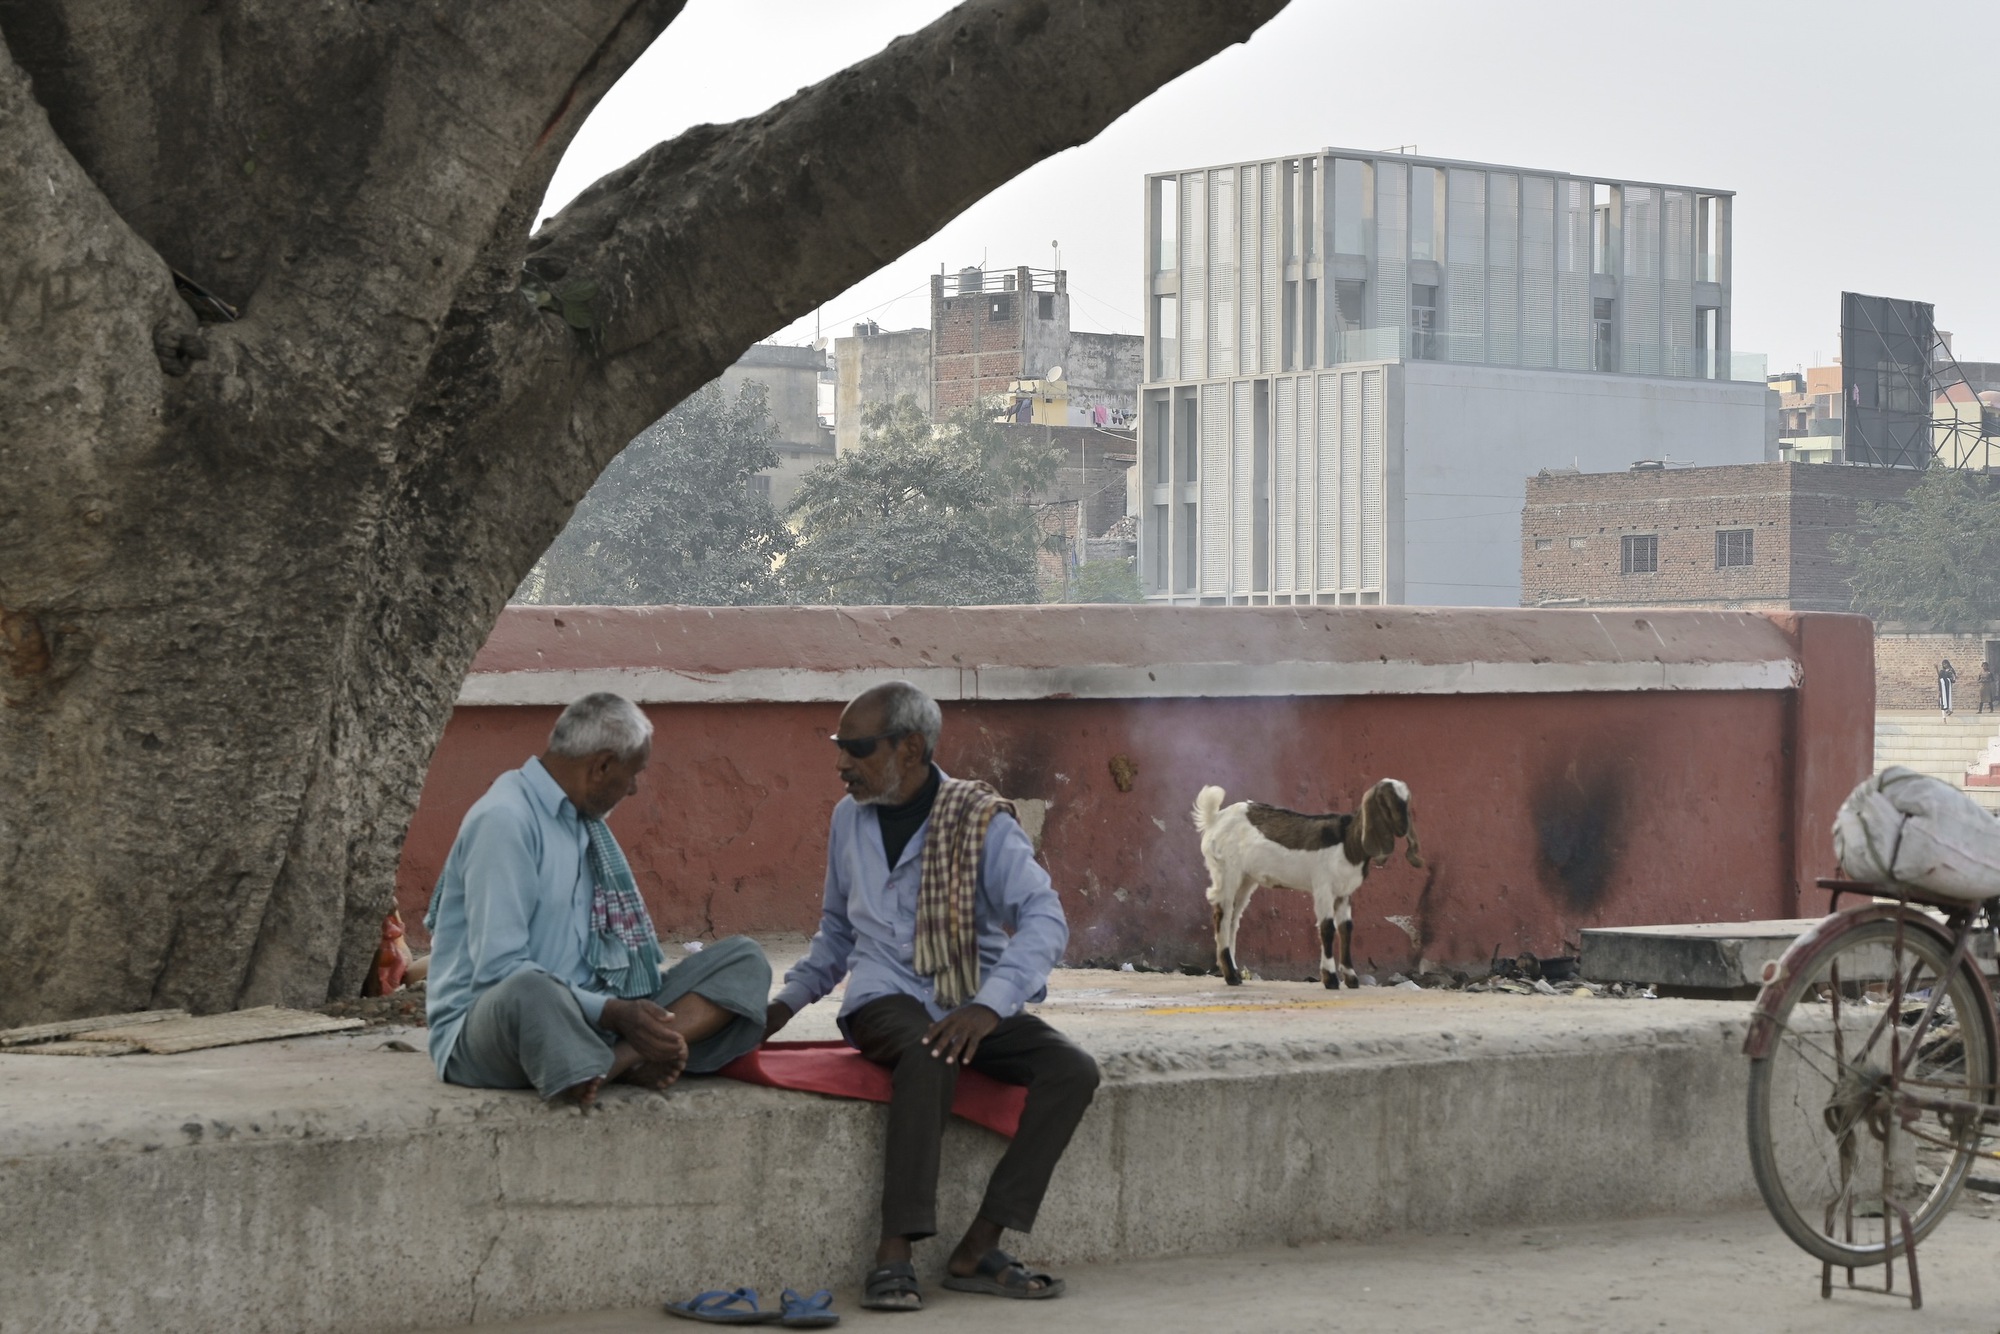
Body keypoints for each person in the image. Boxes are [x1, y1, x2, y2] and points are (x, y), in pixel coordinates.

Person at [765, 682, 1097, 1311]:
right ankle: (894, 1251)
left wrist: (987, 1005)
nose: (841, 764)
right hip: (883, 994)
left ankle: (980, 1244)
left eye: (857, 749)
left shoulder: (978, 820)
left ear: (910, 748)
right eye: (839, 747)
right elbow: (836, 931)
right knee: (929, 1049)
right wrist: (785, 1005)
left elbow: (1045, 918)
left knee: (1072, 1070)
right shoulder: (848, 819)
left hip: (970, 995)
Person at [424, 692, 771, 1108]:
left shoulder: (581, 821)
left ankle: (617, 1059)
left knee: (745, 960)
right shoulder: (505, 819)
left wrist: (621, 1016)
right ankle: (598, 1058)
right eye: (633, 774)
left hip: (593, 1019)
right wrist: (609, 1012)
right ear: (602, 766)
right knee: (529, 988)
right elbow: (498, 973)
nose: (634, 789)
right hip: (495, 1028)